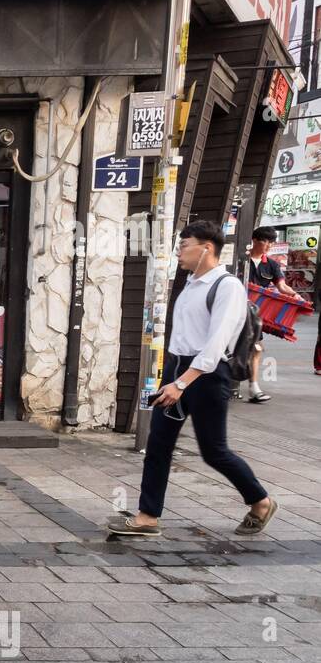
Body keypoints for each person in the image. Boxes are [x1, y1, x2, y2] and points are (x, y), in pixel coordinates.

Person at [108, 221, 276, 539]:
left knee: (214, 450)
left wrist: (181, 383)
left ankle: (261, 501)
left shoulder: (227, 287)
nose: (179, 252)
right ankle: (147, 516)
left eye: (185, 245)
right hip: (177, 368)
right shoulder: (189, 283)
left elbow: (215, 345)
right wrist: (171, 374)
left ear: (207, 248)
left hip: (208, 376)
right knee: (158, 443)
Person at [242, 226, 300, 402]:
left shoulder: (273, 265)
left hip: (254, 314)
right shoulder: (240, 259)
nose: (268, 245)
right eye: (264, 241)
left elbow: (282, 287)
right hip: (233, 309)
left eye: (271, 242)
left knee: (256, 347)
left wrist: (295, 295)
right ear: (254, 240)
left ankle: (254, 387)